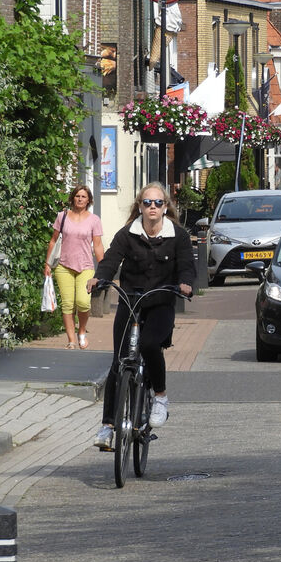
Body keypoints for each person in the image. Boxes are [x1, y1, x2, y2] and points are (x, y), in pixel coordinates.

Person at [87, 183, 195, 447]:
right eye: (147, 203)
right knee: (119, 362)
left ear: (166, 206)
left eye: (158, 203)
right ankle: (107, 426)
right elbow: (111, 259)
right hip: (130, 301)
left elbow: (187, 266)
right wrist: (100, 277)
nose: (152, 208)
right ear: (140, 206)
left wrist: (185, 283)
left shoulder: (177, 236)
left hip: (160, 302)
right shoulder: (128, 234)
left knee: (149, 345)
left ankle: (160, 397)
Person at [44, 186, 104, 350]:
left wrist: (105, 269)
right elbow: (53, 240)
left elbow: (97, 246)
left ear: (88, 200)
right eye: (77, 196)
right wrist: (48, 264)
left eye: (83, 196)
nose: (80, 199)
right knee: (68, 304)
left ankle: (82, 331)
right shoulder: (62, 217)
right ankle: (71, 340)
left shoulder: (94, 220)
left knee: (83, 303)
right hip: (64, 266)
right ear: (73, 198)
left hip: (85, 266)